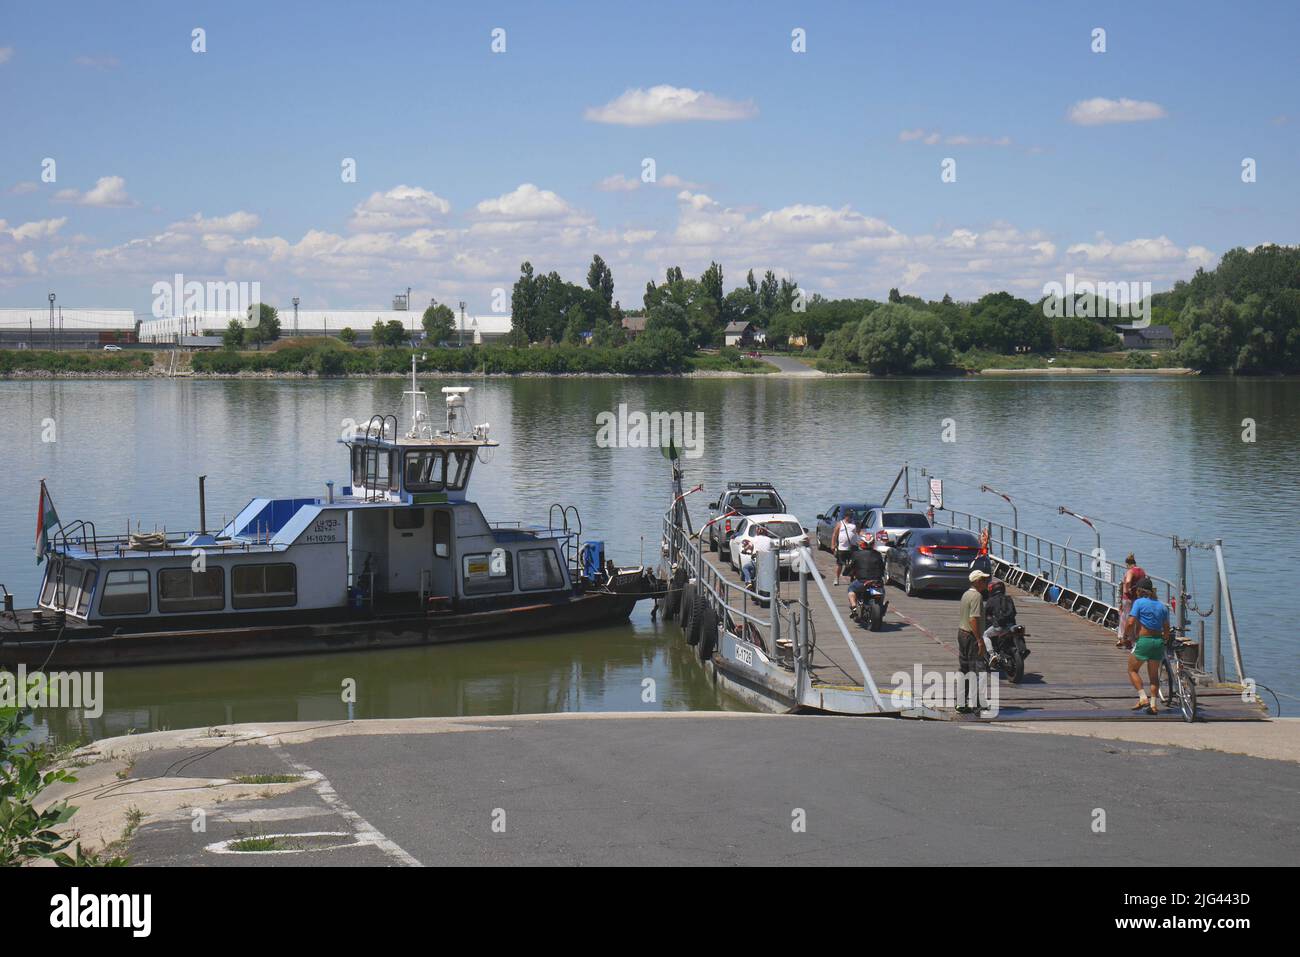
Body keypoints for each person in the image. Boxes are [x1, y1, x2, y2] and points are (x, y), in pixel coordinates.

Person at [1125, 577, 1171, 714]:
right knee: (1153, 675)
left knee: (1132, 669)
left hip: (1144, 641)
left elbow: (1130, 622)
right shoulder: (1162, 606)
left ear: (1139, 591)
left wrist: (1126, 636)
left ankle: (1143, 697)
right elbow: (1167, 628)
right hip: (1158, 642)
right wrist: (1165, 640)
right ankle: (1153, 705)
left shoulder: (1139, 603)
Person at [956, 570, 990, 713]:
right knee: (976, 670)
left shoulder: (966, 594)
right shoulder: (976, 596)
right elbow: (973, 619)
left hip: (961, 634)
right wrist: (980, 640)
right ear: (976, 582)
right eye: (983, 580)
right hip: (971, 636)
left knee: (964, 669)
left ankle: (961, 703)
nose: (985, 582)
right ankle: (977, 704)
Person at [981, 578, 1017, 665]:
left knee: (985, 635)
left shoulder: (991, 600)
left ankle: (992, 654)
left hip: (1000, 626)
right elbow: (1014, 612)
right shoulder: (1009, 598)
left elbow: (985, 614)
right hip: (1012, 625)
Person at [1115, 553, 1147, 646]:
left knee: (1125, 617)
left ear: (1127, 564)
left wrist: (1126, 589)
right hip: (1138, 598)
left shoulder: (1130, 571)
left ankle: (1122, 638)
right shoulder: (1142, 571)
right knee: (1136, 619)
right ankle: (1134, 638)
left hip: (1128, 598)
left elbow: (1128, 581)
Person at [846, 537, 885, 613]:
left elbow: (850, 566)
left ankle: (854, 607)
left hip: (862, 581)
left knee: (851, 589)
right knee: (882, 590)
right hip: (876, 581)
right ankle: (881, 605)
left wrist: (846, 572)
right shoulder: (878, 554)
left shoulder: (856, 554)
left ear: (862, 543)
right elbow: (882, 567)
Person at [831, 510, 858, 585]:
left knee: (853, 564)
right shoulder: (840, 524)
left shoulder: (854, 523)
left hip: (853, 547)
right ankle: (837, 578)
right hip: (842, 548)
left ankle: (853, 578)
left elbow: (858, 532)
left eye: (851, 516)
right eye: (849, 516)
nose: (850, 518)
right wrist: (833, 545)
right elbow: (834, 535)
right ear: (846, 516)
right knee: (840, 564)